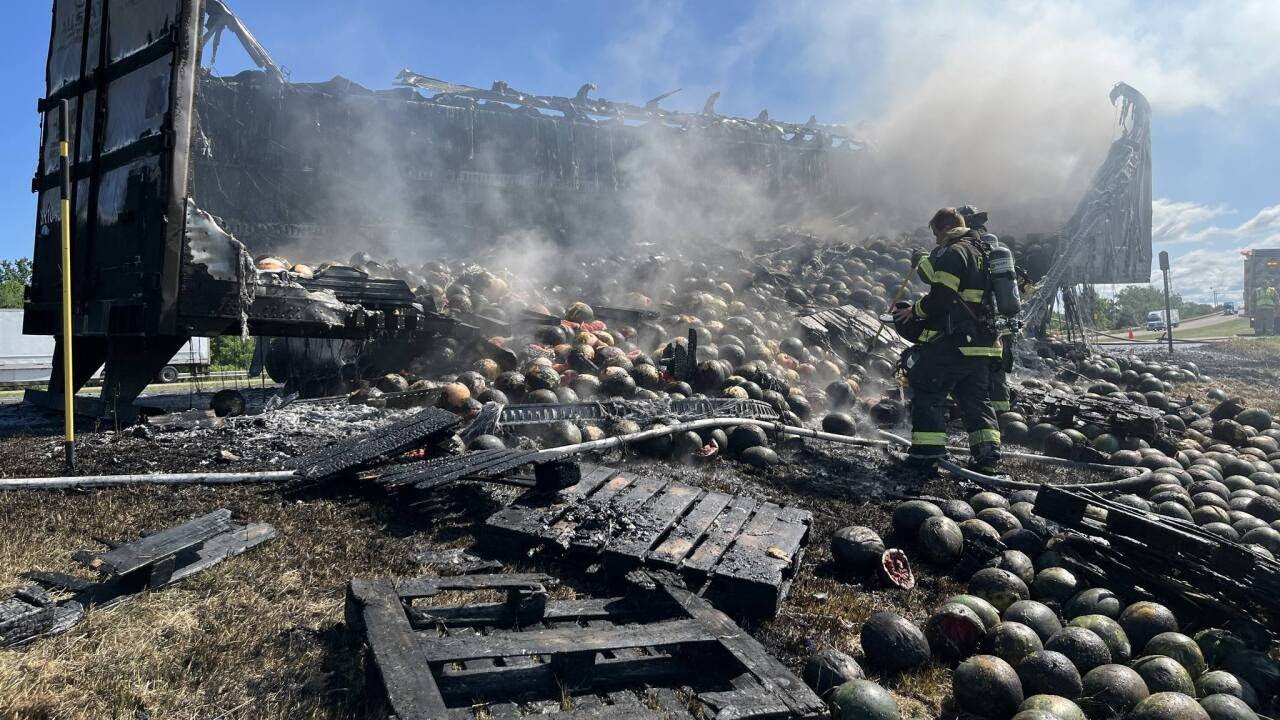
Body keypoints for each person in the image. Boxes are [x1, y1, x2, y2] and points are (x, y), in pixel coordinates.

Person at [893, 208, 1003, 472]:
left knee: (928, 388)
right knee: (976, 400)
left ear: (944, 229)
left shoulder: (955, 252)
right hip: (983, 345)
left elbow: (942, 297)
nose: (936, 240)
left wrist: (914, 311)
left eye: (935, 234)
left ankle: (927, 454)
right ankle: (987, 456)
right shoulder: (985, 253)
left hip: (956, 342)